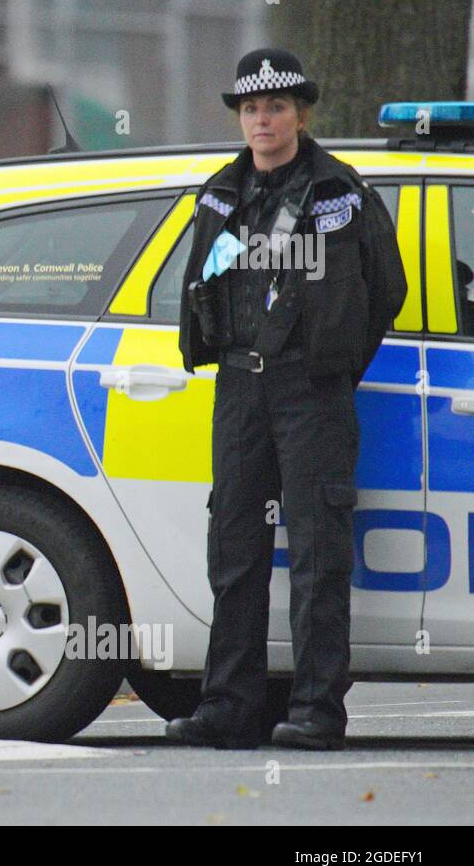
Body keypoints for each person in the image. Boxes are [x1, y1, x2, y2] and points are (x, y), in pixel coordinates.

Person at [169, 48, 406, 750]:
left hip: (311, 389)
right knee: (235, 552)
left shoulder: (340, 191)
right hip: (240, 386)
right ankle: (229, 708)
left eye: (274, 107)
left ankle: (315, 711)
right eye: (250, 109)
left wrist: (330, 366)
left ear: (300, 114)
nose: (262, 120)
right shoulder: (222, 192)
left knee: (318, 554)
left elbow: (384, 291)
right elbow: (201, 284)